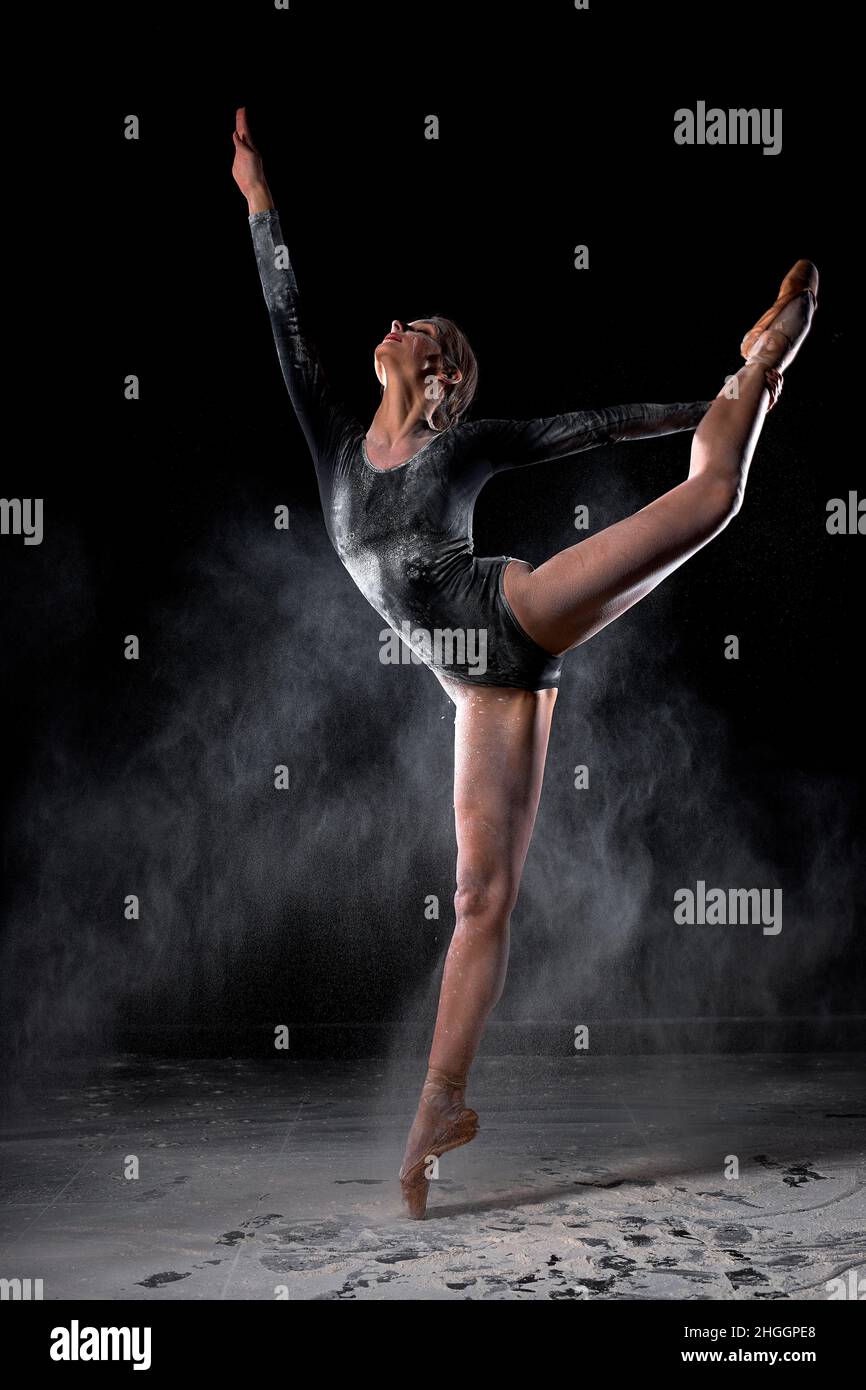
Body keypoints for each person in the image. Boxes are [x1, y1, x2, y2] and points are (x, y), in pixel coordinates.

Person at [231, 106, 818, 1219]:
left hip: (511, 612)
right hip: (478, 686)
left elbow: (592, 426)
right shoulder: (333, 435)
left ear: (442, 371)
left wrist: (722, 397)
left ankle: (762, 365)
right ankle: (436, 1115)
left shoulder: (465, 442)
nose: (393, 323)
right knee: (478, 896)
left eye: (416, 329)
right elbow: (285, 320)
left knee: (707, 496)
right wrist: (259, 198)